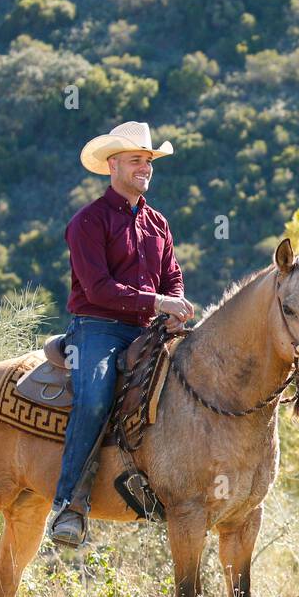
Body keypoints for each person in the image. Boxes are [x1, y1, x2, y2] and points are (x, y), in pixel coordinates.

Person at [48, 121, 195, 546]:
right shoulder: (87, 222)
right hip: (97, 327)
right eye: (136, 161)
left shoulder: (159, 223)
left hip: (147, 330)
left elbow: (172, 276)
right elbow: (98, 289)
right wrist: (157, 303)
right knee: (94, 398)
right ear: (112, 165)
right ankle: (69, 506)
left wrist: (174, 306)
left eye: (148, 161)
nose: (144, 168)